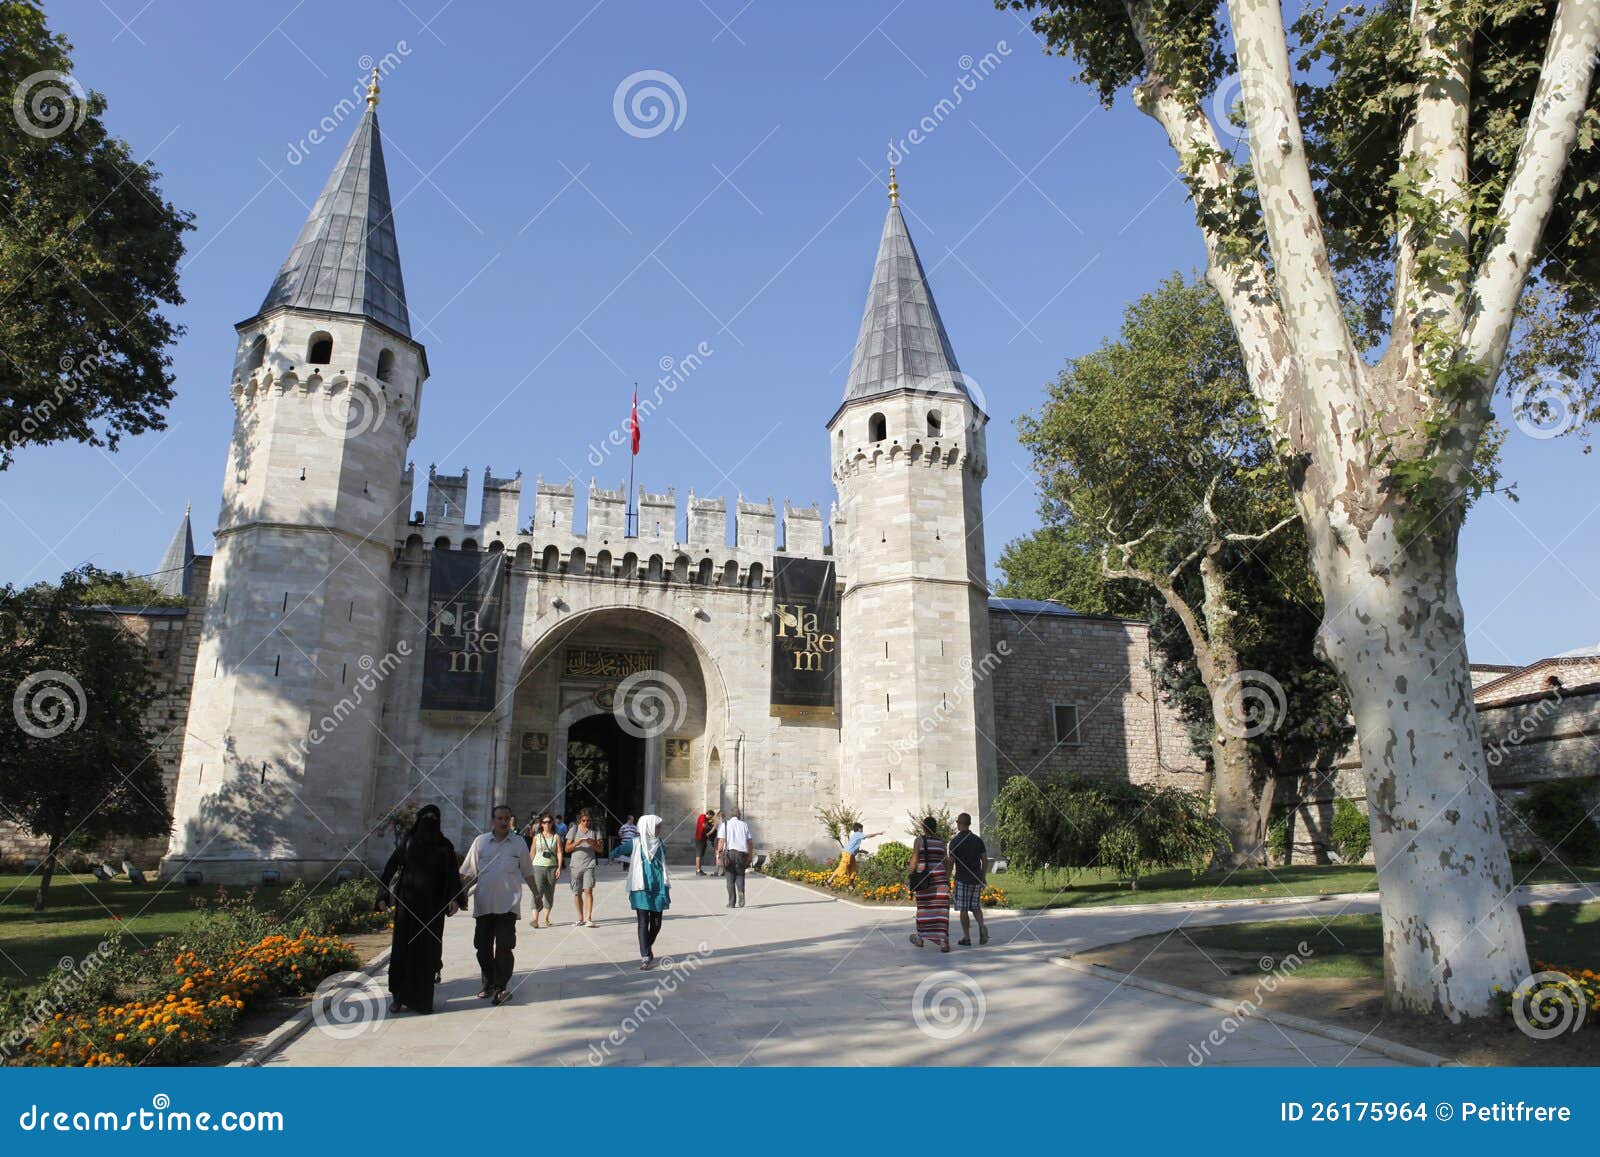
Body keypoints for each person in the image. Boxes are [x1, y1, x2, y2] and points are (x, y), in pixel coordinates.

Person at [383, 804, 461, 1014]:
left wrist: (454, 898)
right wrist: (382, 895)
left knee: (427, 953)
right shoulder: (407, 843)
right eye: (425, 817)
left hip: (432, 909)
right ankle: (398, 997)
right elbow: (391, 867)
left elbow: (452, 874)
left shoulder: (444, 846)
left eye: (433, 817)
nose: (429, 821)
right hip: (407, 907)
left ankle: (422, 1000)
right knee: (402, 951)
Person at [459, 805, 538, 1005]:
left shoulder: (518, 843)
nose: (503, 822)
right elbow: (467, 873)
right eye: (500, 818)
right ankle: (489, 982)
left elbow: (528, 871)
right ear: (493, 820)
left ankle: (500, 986)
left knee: (504, 946)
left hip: (508, 905)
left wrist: (536, 893)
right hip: (484, 904)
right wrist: (459, 895)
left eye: (507, 818)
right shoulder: (481, 842)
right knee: (482, 947)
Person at [628, 814, 671, 970]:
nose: (659, 829)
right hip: (641, 888)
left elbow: (664, 855)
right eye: (657, 826)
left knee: (657, 923)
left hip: (658, 887)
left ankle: (647, 945)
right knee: (643, 922)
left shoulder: (659, 844)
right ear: (649, 827)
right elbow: (619, 851)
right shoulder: (635, 843)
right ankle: (645, 956)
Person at [908, 816, 951, 952]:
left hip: (924, 881)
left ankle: (920, 938)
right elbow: (947, 862)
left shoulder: (919, 841)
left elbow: (914, 860)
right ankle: (943, 942)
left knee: (923, 909)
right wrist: (947, 878)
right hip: (940, 880)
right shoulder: (941, 843)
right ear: (935, 828)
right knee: (942, 910)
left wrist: (910, 877)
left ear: (923, 827)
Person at [948, 812, 989, 946]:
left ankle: (966, 937)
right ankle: (982, 926)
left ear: (960, 823)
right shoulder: (978, 840)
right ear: (969, 824)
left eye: (957, 823)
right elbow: (984, 860)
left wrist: (947, 878)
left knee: (963, 909)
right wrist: (982, 877)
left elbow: (951, 862)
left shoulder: (954, 841)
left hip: (962, 879)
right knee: (976, 907)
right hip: (976, 878)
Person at [565, 809, 603, 926]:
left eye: (588, 820)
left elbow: (600, 849)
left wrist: (592, 844)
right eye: (584, 820)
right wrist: (577, 843)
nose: (586, 822)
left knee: (588, 890)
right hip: (575, 865)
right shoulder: (574, 830)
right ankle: (580, 918)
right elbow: (567, 849)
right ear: (579, 820)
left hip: (589, 864)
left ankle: (588, 918)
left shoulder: (595, 831)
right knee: (577, 892)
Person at [527, 812, 563, 928]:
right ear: (541, 824)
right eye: (544, 822)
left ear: (552, 823)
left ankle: (546, 918)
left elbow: (559, 851)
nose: (546, 824)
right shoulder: (537, 837)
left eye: (549, 822)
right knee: (537, 892)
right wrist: (528, 867)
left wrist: (559, 867)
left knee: (549, 893)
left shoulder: (556, 837)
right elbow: (532, 852)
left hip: (551, 867)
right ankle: (535, 919)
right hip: (537, 866)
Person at [716, 810, 754, 908]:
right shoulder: (744, 825)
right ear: (739, 815)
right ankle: (741, 892)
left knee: (730, 878)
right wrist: (750, 855)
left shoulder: (725, 824)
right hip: (741, 854)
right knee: (740, 875)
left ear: (731, 815)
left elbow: (721, 841)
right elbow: (749, 842)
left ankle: (731, 902)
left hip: (729, 854)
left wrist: (718, 854)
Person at [694, 807, 716, 875]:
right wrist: (711, 828)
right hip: (699, 838)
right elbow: (704, 825)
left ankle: (700, 869)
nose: (711, 819)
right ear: (708, 814)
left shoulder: (708, 819)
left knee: (701, 855)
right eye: (711, 817)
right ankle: (697, 870)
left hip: (704, 839)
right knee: (699, 854)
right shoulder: (702, 816)